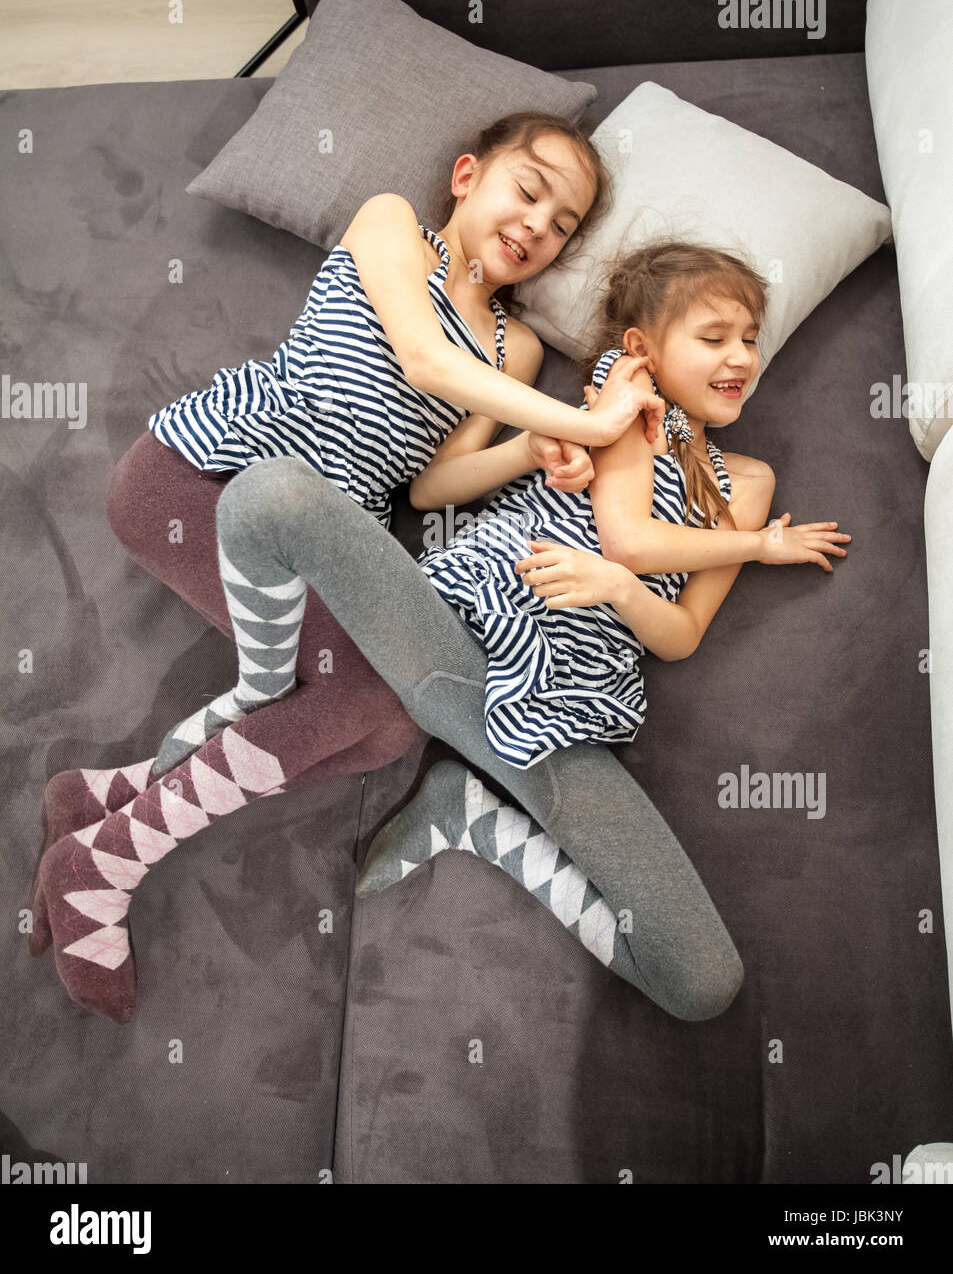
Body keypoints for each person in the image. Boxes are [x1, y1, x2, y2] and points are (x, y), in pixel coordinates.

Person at [30, 237, 850, 1025]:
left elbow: (679, 633)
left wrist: (617, 590)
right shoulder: (601, 413)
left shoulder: (747, 482)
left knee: (703, 982)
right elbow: (467, 499)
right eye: (714, 335)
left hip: (560, 699)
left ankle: (468, 819)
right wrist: (571, 451)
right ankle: (103, 857)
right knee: (274, 496)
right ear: (640, 348)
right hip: (443, 622)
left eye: (749, 337)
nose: (741, 356)